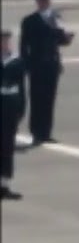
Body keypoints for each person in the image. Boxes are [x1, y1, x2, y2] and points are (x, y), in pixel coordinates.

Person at [20, 0, 74, 145]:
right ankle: (36, 132)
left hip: (51, 64)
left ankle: (46, 132)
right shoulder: (30, 21)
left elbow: (58, 41)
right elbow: (24, 45)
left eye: (47, 0)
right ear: (38, 2)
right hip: (37, 65)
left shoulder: (54, 18)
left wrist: (66, 39)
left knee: (49, 100)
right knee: (37, 99)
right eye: (43, 0)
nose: (46, 3)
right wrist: (26, 64)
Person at [1, 28, 25, 200]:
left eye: (6, 40)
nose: (4, 43)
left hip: (10, 105)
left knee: (7, 147)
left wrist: (21, 108)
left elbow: (22, 88)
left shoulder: (16, 61)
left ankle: (5, 184)